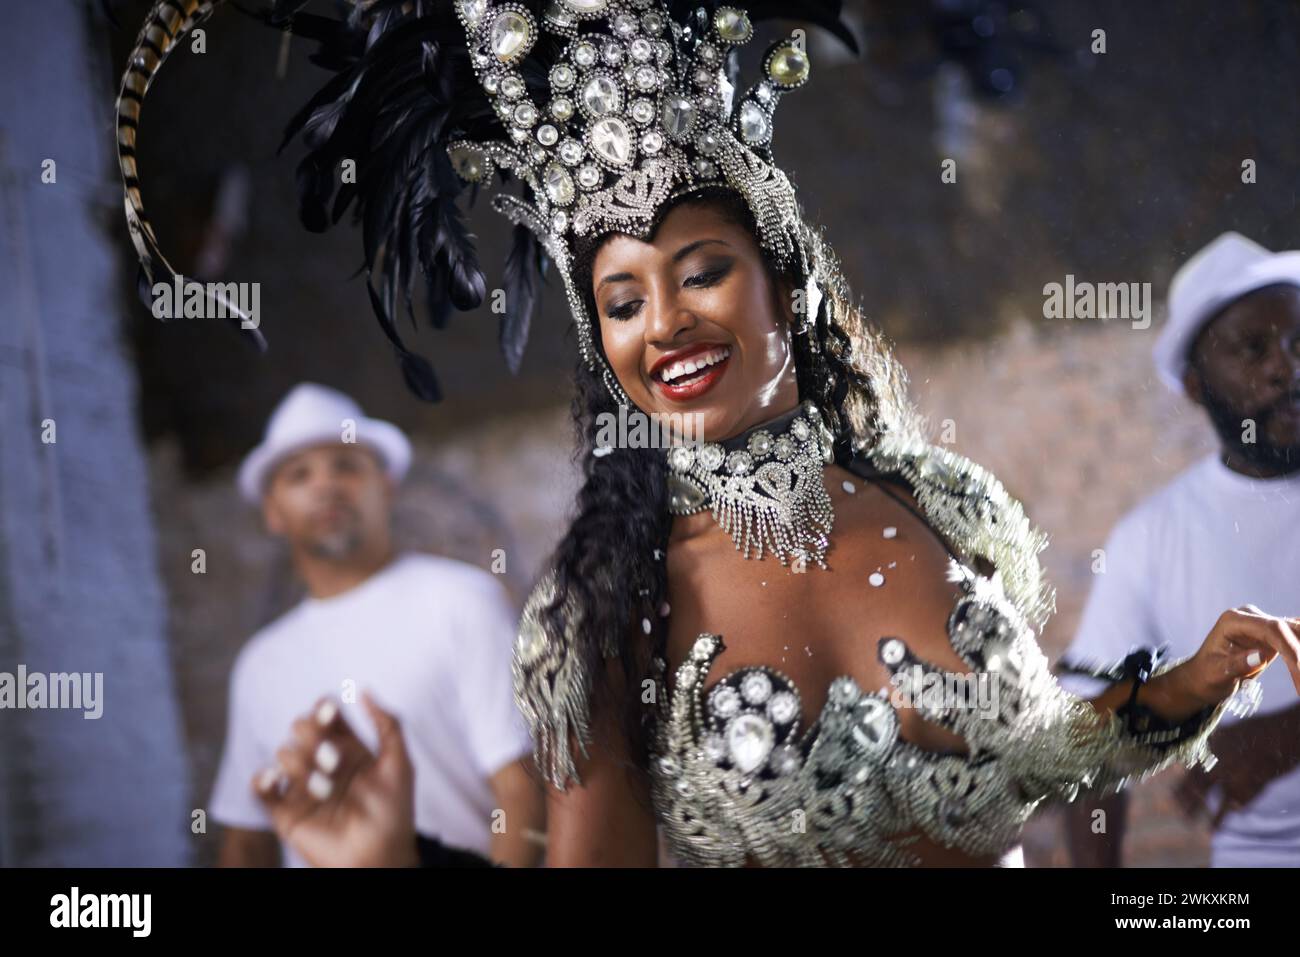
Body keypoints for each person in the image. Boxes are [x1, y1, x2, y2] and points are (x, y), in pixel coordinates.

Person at [118, 1, 1300, 867]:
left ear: (782, 281)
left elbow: (1038, 754)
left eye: (699, 273)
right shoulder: (606, 608)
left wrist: (1192, 682)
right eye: (622, 300)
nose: (665, 323)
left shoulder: (945, 506)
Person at [207, 382, 543, 867]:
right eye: (300, 475)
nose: (325, 485)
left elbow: (522, 786)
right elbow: (246, 840)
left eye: (346, 465)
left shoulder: (461, 601)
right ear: (273, 512)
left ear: (385, 486)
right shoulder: (259, 665)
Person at [1058, 232, 1300, 867]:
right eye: (1254, 348)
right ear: (1196, 385)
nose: (1286, 367)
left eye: (1298, 343)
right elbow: (1089, 733)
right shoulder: (1152, 536)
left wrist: (1288, 733)